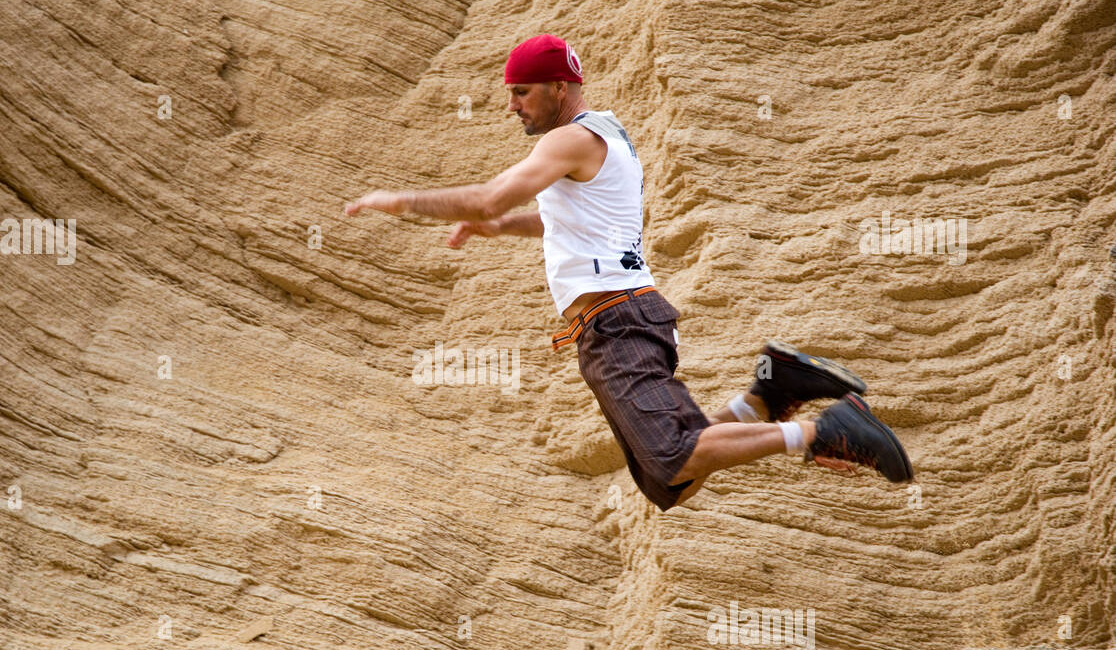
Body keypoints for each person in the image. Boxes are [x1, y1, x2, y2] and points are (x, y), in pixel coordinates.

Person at [345, 34, 912, 511]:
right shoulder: (607, 137)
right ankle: (769, 393)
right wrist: (502, 228)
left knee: (673, 457)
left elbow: (491, 196)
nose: (512, 104)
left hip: (615, 321)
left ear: (558, 88)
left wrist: (403, 201)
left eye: (521, 92)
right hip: (628, 313)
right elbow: (571, 224)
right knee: (673, 480)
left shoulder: (568, 138)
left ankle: (825, 431)